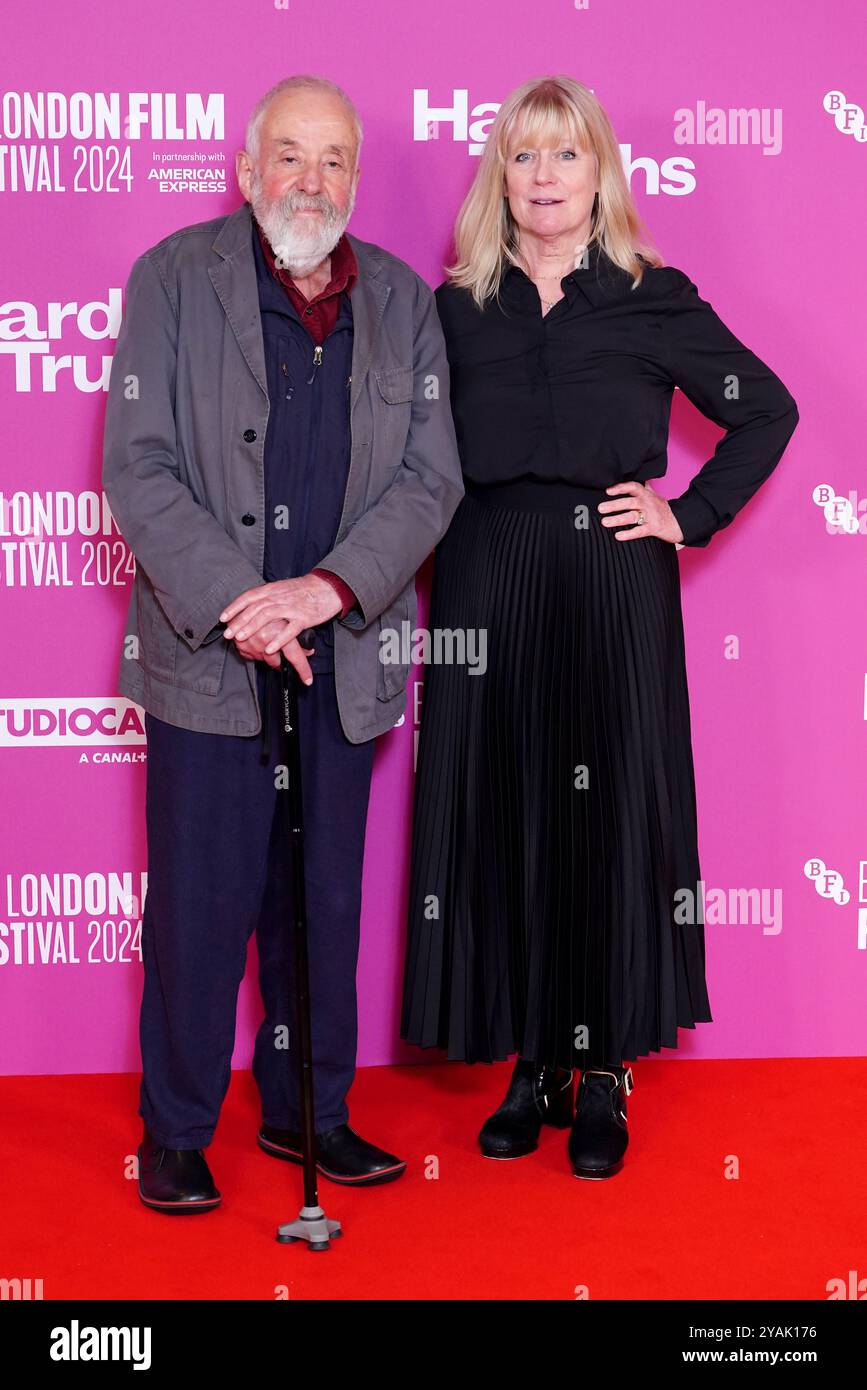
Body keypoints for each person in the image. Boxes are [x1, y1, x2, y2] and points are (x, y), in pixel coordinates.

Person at [400, 74, 799, 1179]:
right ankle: (533, 1059)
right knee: (509, 812)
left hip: (612, 578)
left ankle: (606, 1065)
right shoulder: (455, 307)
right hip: (485, 579)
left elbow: (768, 407)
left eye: (564, 156)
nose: (543, 178)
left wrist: (691, 513)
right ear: (501, 176)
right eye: (524, 157)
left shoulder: (648, 294)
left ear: (599, 174)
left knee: (612, 815)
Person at [102, 74, 463, 1211]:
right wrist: (241, 603)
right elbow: (139, 464)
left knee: (319, 899)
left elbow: (429, 478)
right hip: (207, 652)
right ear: (249, 169)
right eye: (291, 156)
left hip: (341, 651)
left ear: (356, 176)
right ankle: (176, 1128)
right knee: (201, 897)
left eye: (335, 160)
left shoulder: (404, 300)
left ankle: (311, 1111)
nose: (312, 180)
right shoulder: (171, 278)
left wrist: (323, 589)